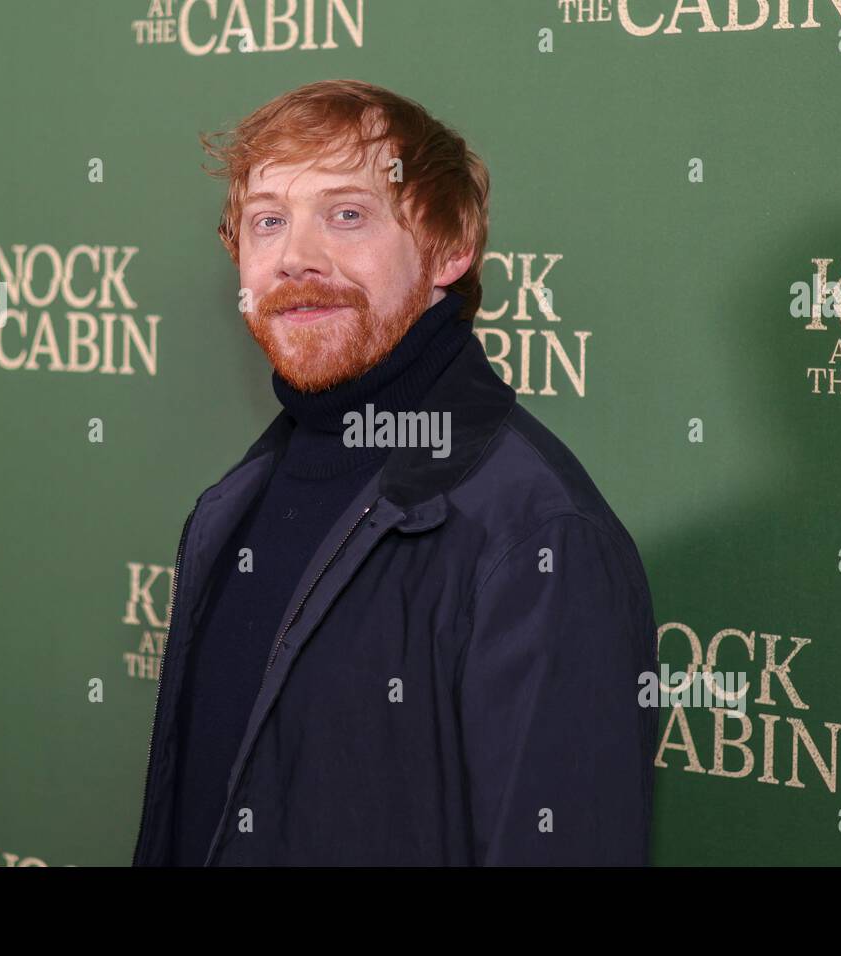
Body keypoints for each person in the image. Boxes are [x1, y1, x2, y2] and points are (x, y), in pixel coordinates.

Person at [132, 79, 658, 866]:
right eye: (268, 220)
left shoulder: (536, 538)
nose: (297, 258)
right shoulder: (232, 506)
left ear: (451, 250)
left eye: (348, 214)